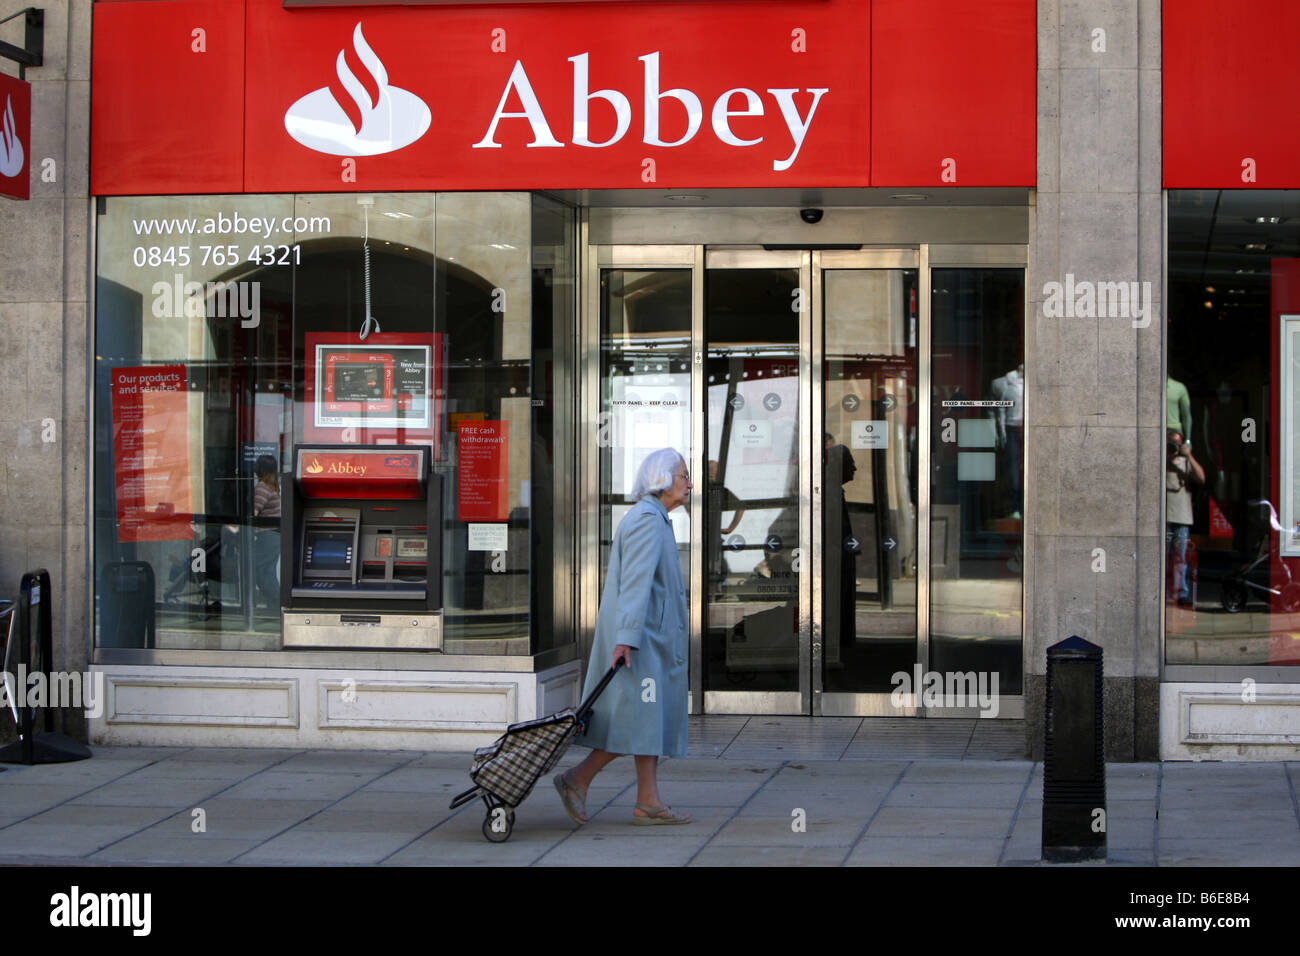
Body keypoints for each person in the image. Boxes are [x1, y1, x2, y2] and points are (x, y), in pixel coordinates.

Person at [554, 448, 692, 825]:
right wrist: (627, 639)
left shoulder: (654, 518)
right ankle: (576, 779)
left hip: (648, 640)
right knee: (636, 719)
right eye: (682, 476)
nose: (689, 483)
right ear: (662, 479)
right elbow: (635, 585)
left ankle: (648, 800)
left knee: (645, 719)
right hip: (642, 643)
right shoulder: (648, 521)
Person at [1166, 430, 1203, 606]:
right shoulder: (1161, 461)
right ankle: (1165, 591)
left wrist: (1189, 456)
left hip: (1182, 517)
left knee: (1179, 557)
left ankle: (1181, 592)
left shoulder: (1185, 463)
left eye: (1176, 444)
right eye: (1170, 443)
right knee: (1164, 557)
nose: (1173, 447)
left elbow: (1201, 478)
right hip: (1164, 518)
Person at [252, 454, 282, 611]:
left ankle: (277, 604)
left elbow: (254, 512)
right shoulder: (274, 486)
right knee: (267, 572)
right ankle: (275, 605)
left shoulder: (262, 487)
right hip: (275, 534)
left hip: (267, 535)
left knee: (261, 572)